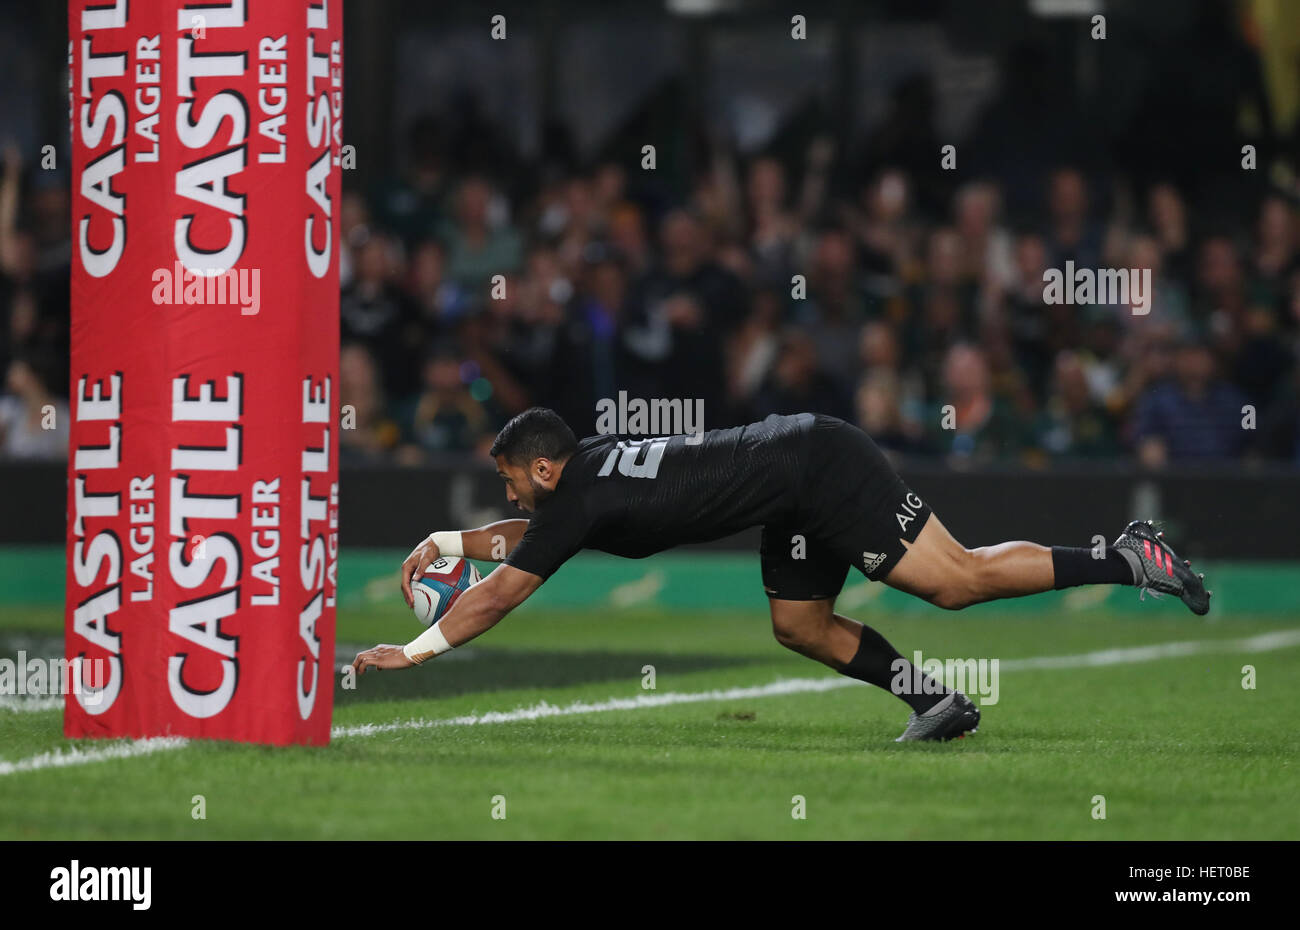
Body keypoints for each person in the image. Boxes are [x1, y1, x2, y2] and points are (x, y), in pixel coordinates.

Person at [351, 407, 1212, 742]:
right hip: (790, 485)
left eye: (511, 481)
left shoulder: (576, 499)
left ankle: (1129, 554)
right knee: (797, 623)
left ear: (543, 471)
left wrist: (414, 651)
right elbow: (521, 542)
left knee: (954, 581)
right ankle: (935, 702)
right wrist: (451, 540)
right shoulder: (586, 477)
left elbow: (508, 590)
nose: (512, 496)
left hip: (817, 468)